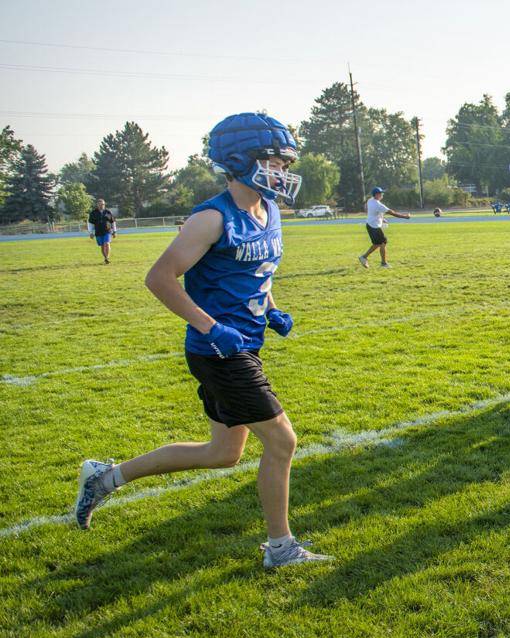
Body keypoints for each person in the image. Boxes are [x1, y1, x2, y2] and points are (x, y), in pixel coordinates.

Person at [73, 113, 330, 568]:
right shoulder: (211, 217)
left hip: (244, 345)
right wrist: (212, 327)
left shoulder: (269, 210)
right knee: (282, 442)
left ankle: (105, 478)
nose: (281, 172)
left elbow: (255, 272)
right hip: (218, 352)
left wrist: (271, 309)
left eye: (284, 164)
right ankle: (281, 548)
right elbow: (159, 278)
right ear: (241, 160)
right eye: (273, 161)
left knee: (222, 453)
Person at [359, 186, 409, 268]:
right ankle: (383, 263)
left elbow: (374, 212)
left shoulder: (370, 200)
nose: (382, 194)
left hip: (370, 225)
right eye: (381, 193)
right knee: (383, 242)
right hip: (374, 227)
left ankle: (364, 257)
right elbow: (392, 213)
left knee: (377, 244)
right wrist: (405, 216)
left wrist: (382, 219)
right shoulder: (378, 204)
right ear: (376, 194)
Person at [88, 198, 116, 264]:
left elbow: (113, 222)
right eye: (100, 204)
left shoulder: (108, 212)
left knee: (107, 243)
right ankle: (105, 258)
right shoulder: (93, 213)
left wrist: (114, 231)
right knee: (102, 246)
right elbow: (90, 224)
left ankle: (107, 258)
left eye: (103, 204)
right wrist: (91, 232)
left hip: (107, 231)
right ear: (97, 205)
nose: (102, 206)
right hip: (98, 232)